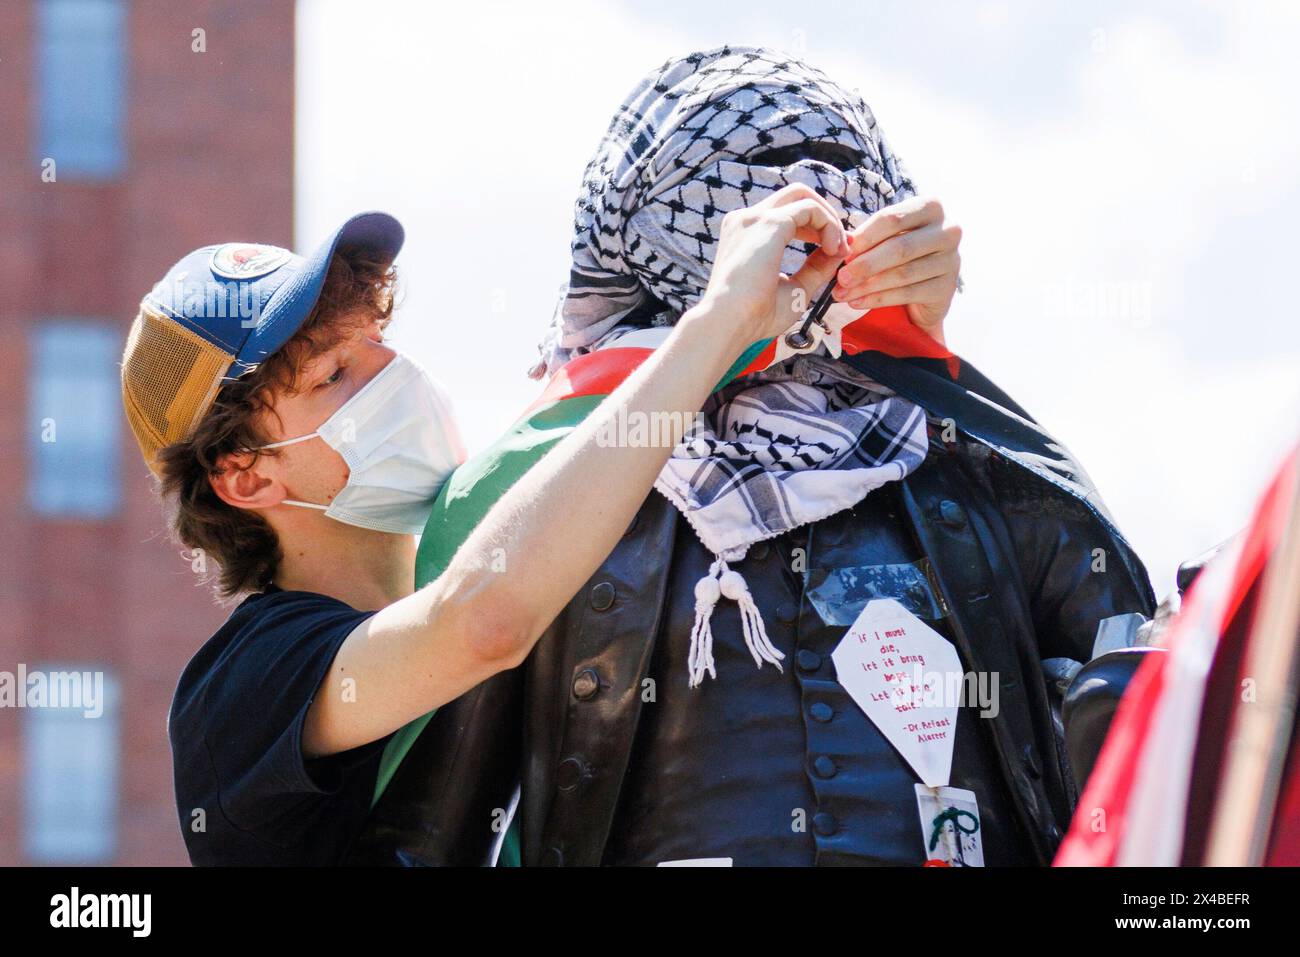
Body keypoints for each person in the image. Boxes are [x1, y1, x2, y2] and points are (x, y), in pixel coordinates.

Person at [359, 46, 1156, 867]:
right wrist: (722, 327)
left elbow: (1144, 723)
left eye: (839, 173)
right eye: (763, 182)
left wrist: (930, 358)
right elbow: (428, 834)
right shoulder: (545, 490)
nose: (813, 207)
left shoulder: (961, 456)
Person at [123, 186, 882, 864]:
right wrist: (717, 321)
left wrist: (878, 306)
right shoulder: (240, 691)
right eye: (334, 375)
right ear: (248, 475)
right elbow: (479, 623)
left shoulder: (521, 570)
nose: (393, 374)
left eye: (376, 340)